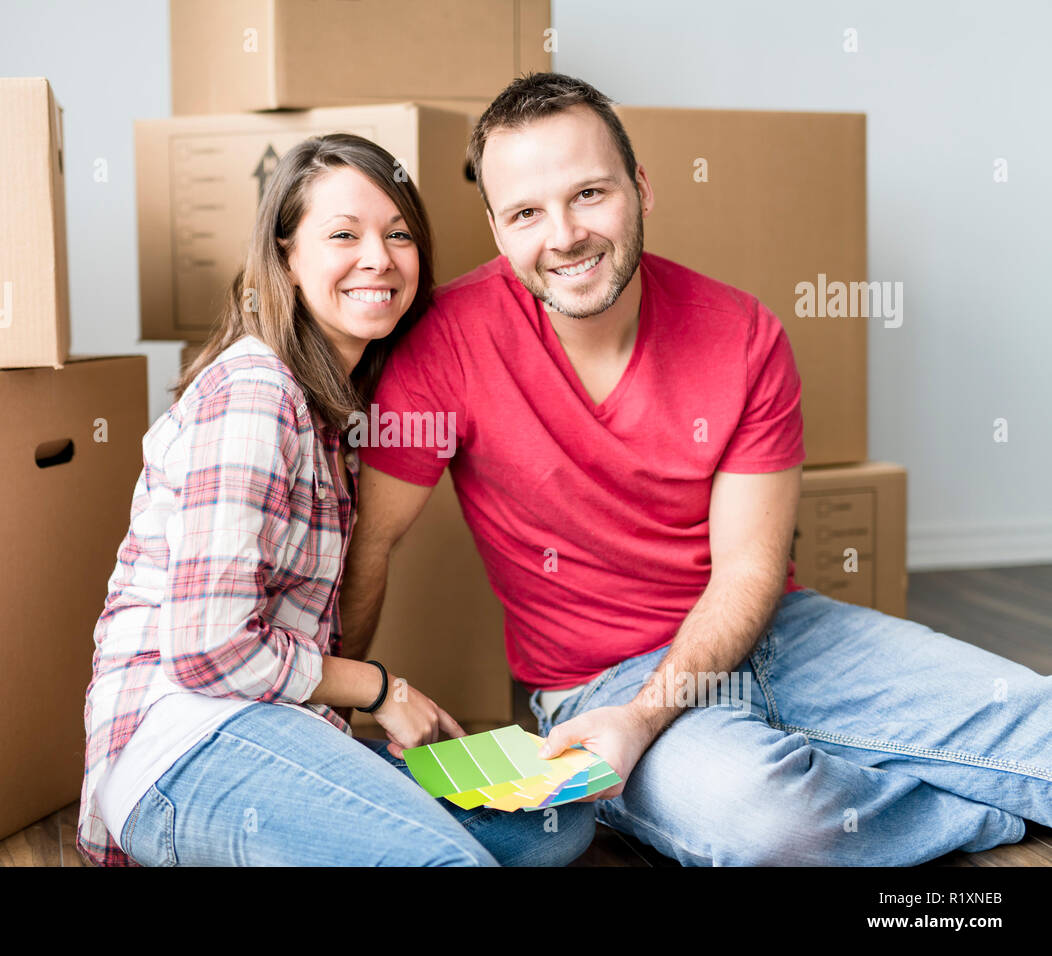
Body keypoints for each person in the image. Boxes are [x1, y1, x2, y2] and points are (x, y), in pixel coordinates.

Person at [339, 72, 1052, 866]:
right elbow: (372, 543)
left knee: (1037, 721)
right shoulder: (446, 341)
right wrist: (335, 715)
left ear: (641, 187)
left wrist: (650, 719)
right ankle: (980, 807)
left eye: (589, 194)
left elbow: (749, 569)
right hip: (601, 685)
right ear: (498, 229)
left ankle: (900, 783)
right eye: (526, 213)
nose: (564, 235)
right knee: (769, 821)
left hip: (784, 635)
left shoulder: (741, 332)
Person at [75, 132, 595, 867]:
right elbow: (207, 648)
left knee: (550, 827)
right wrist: (382, 690)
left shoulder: (331, 413)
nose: (378, 257)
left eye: (399, 234)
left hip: (274, 726)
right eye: (344, 235)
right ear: (286, 257)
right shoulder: (256, 393)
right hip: (184, 745)